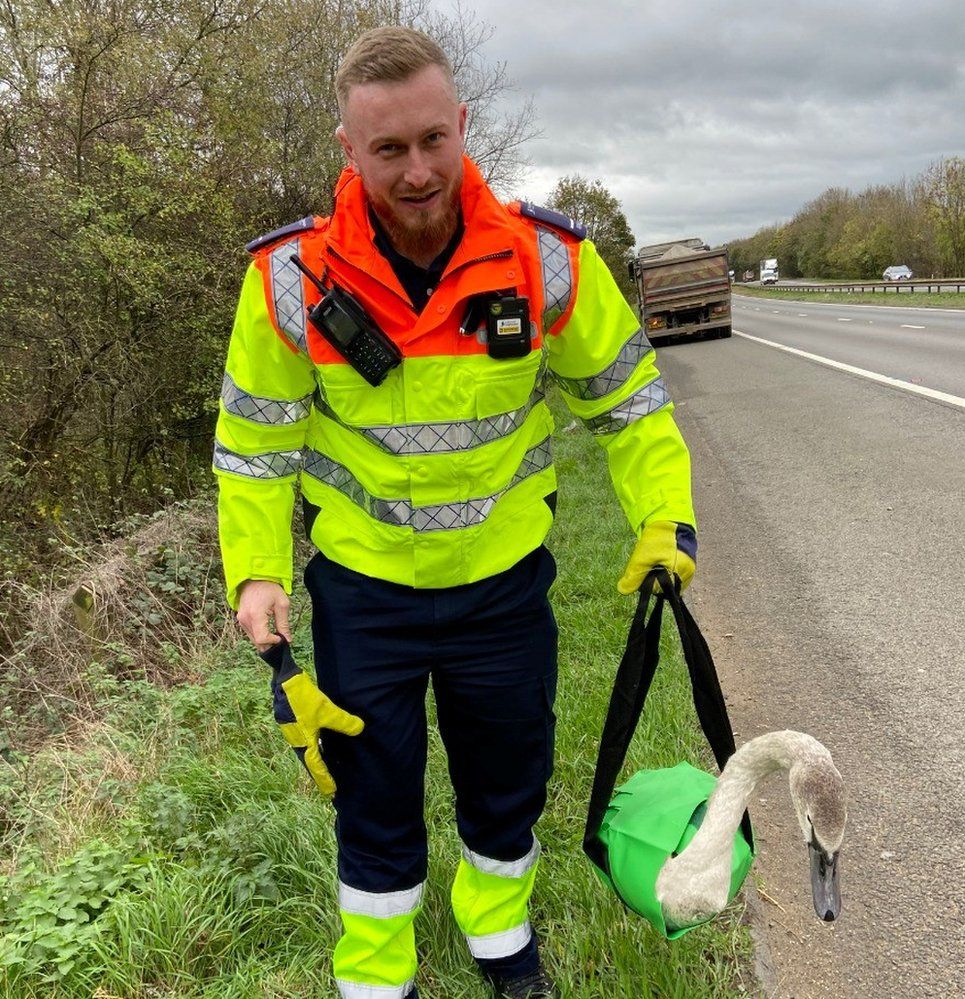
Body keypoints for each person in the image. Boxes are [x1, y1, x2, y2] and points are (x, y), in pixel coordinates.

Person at [214, 25, 696, 999]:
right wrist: (256, 570)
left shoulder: (545, 262)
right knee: (372, 796)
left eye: (433, 140)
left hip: (503, 593)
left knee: (505, 786)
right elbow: (254, 450)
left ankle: (498, 941)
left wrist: (663, 517)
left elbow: (630, 405)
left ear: (461, 125)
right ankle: (374, 976)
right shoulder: (288, 283)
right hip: (363, 596)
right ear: (349, 150)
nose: (418, 169)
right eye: (389, 149)